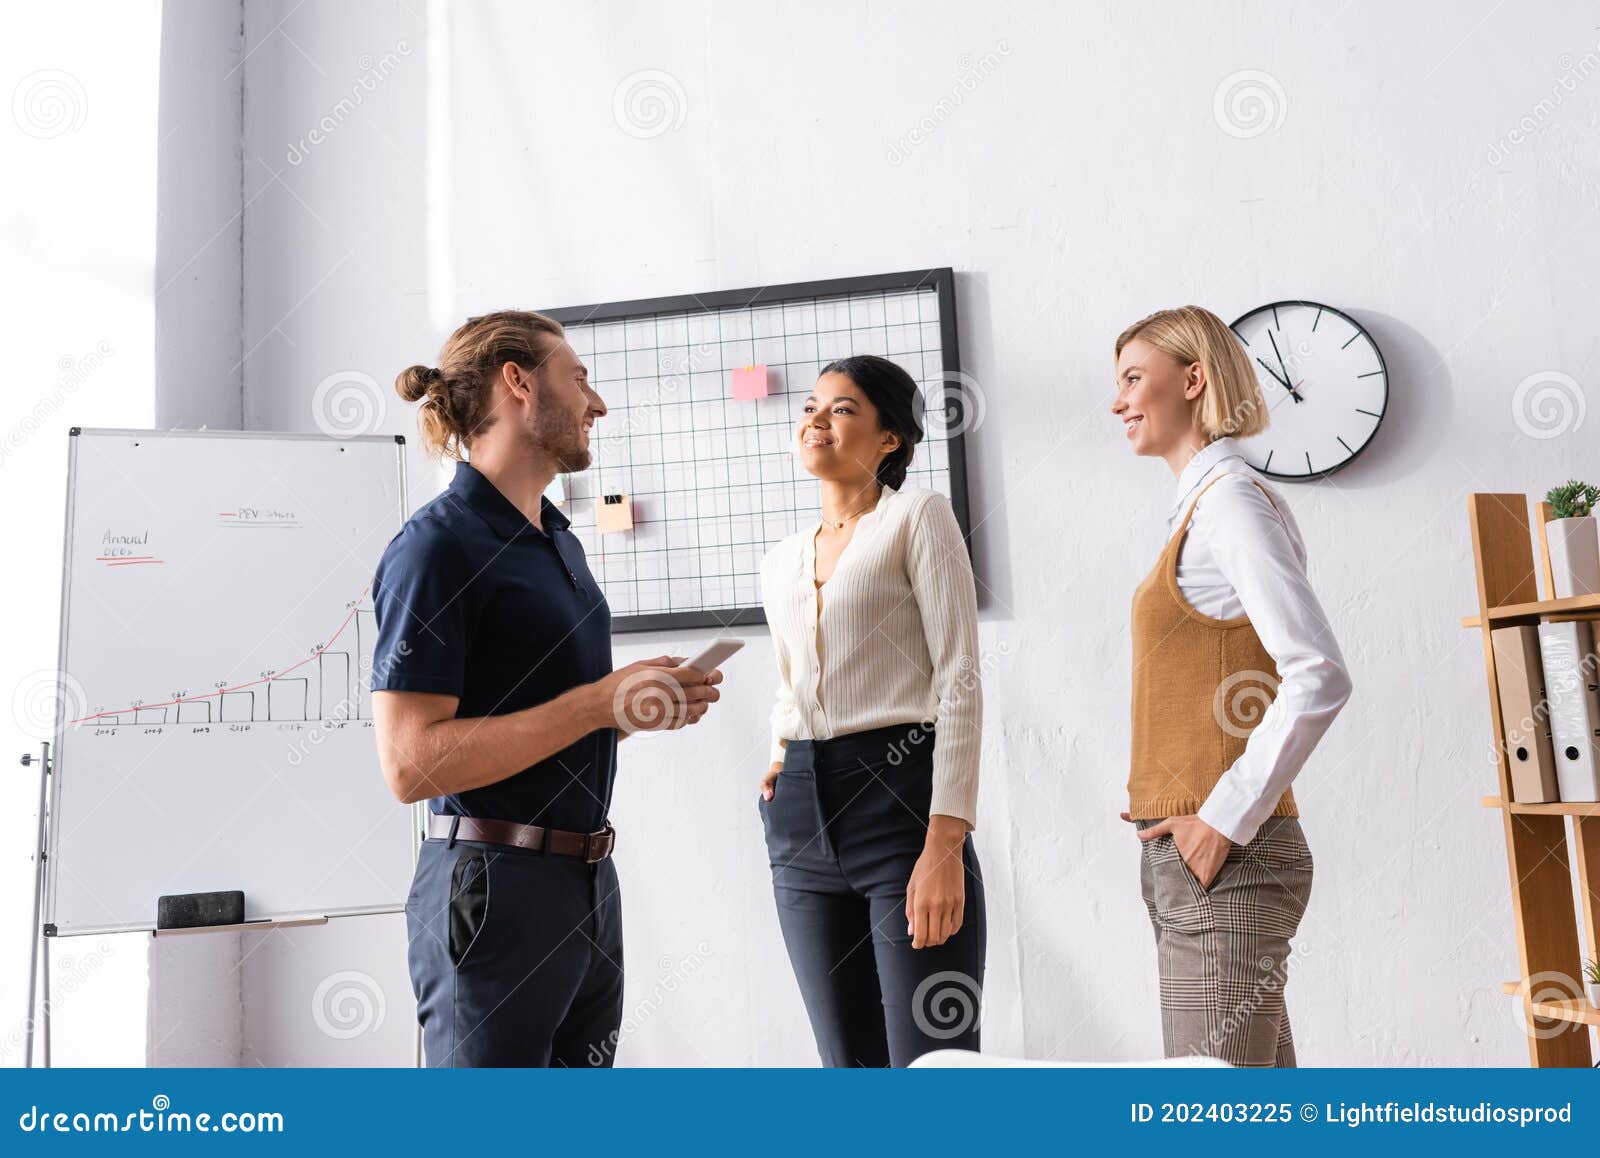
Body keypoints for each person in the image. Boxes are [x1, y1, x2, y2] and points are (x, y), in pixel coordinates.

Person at [369, 309, 722, 1067]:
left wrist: (627, 708)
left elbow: (542, 718)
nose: (598, 404)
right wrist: (595, 703)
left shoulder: (558, 540)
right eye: (579, 379)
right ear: (519, 383)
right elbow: (410, 764)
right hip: (491, 892)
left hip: (587, 885)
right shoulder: (435, 547)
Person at [1110, 306, 1352, 1066]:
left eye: (1133, 379)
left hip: (1228, 861)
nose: (1118, 402)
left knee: (1208, 1118)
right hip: (1197, 858)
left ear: (1194, 379)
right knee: (1259, 1117)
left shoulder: (1230, 503)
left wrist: (1220, 818)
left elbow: (1319, 672)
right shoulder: (1201, 506)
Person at [758, 354, 986, 1067]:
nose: (816, 419)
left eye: (843, 408)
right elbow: (791, 682)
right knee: (847, 1066)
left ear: (890, 438)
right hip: (800, 816)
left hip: (901, 806)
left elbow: (960, 681)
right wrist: (778, 757)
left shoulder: (917, 517)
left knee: (932, 1065)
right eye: (810, 407)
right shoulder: (781, 560)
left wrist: (945, 843)